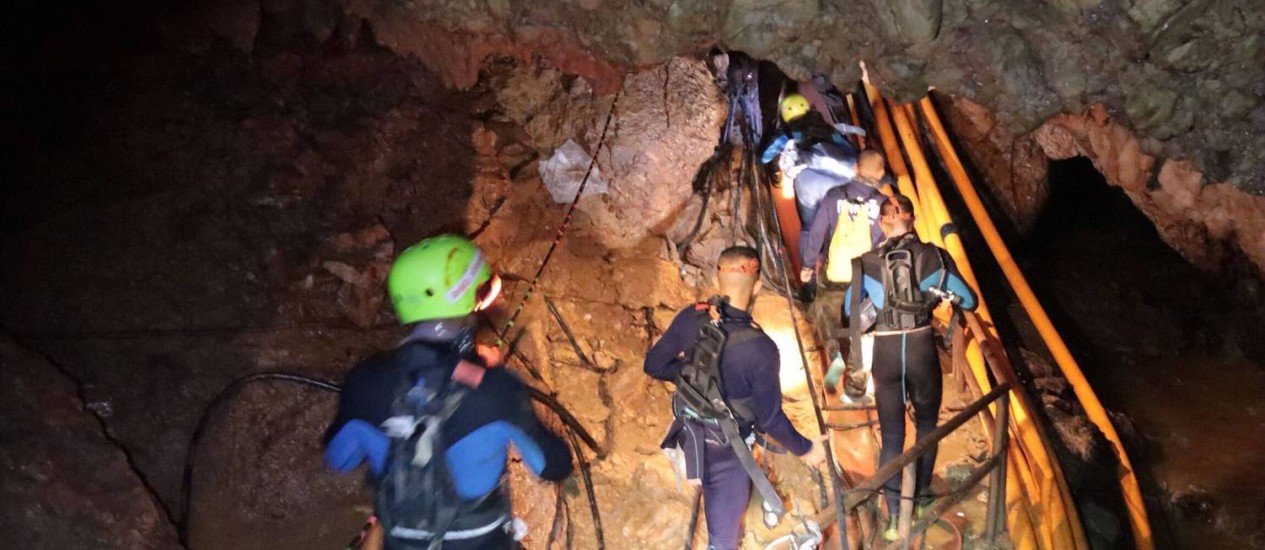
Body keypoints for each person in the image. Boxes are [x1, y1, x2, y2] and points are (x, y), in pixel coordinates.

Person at [324, 234, 573, 550]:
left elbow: (340, 460)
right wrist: (496, 383)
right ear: (470, 299)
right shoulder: (496, 389)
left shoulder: (364, 382)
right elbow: (553, 466)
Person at [645, 246, 827, 550]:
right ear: (757, 286)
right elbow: (770, 418)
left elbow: (654, 365)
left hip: (686, 435)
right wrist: (806, 449)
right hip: (726, 455)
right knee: (723, 540)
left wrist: (694, 378)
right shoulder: (761, 348)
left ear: (718, 281)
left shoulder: (691, 317)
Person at [840, 195, 977, 540]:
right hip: (920, 350)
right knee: (927, 426)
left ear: (883, 222)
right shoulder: (934, 255)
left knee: (892, 436)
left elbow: (849, 309)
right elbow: (970, 299)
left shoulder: (865, 262)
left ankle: (891, 520)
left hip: (885, 354)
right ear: (913, 219)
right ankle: (918, 501)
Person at [799, 150, 892, 287]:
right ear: (881, 173)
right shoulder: (885, 205)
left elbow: (817, 232)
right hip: (865, 277)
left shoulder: (834, 195)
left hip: (833, 270)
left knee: (825, 306)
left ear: (855, 168)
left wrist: (808, 266)